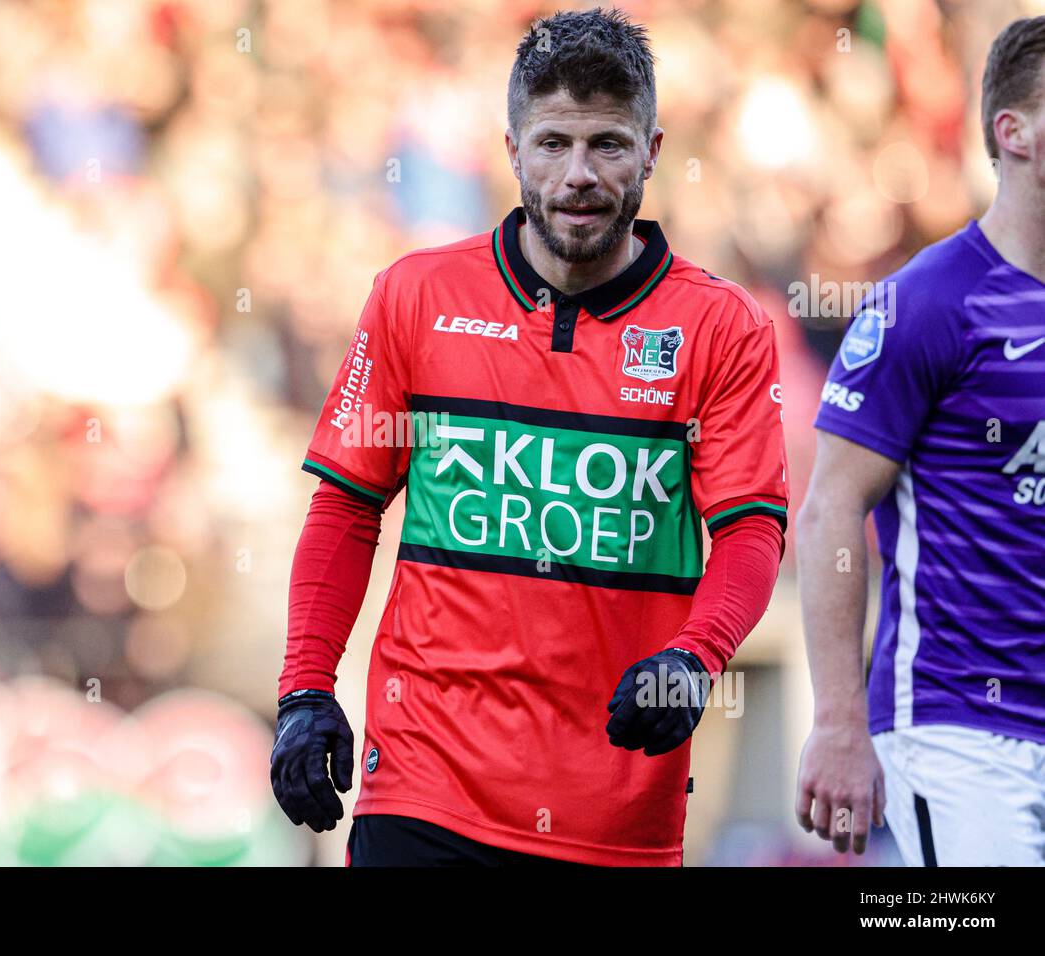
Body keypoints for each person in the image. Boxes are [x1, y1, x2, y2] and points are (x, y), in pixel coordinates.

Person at [272, 7, 788, 866]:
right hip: (423, 789)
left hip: (614, 811)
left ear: (653, 152)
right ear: (511, 152)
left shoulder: (720, 327)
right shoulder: (415, 297)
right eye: (552, 144)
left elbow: (751, 530)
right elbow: (346, 510)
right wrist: (302, 690)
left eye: (607, 146)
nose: (578, 175)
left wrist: (695, 660)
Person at [796, 16, 1045, 866]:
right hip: (962, 726)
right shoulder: (930, 303)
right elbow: (830, 506)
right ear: (1014, 132)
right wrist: (837, 722)